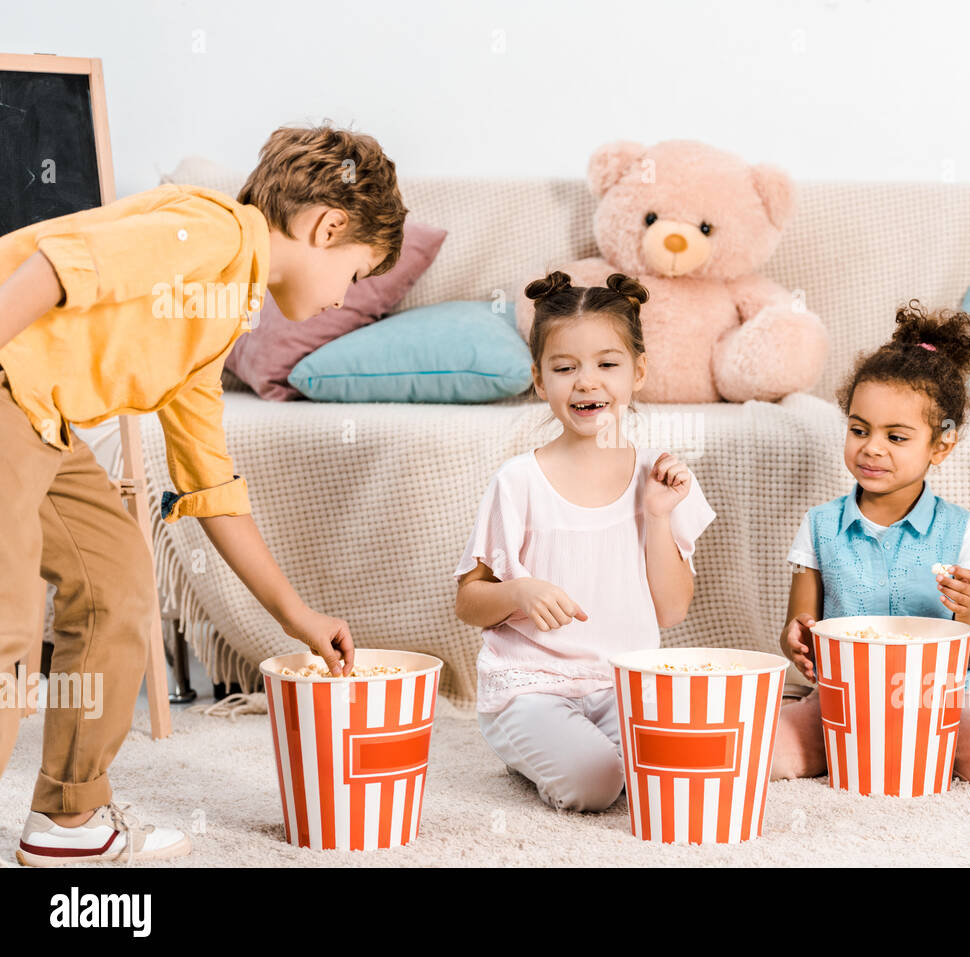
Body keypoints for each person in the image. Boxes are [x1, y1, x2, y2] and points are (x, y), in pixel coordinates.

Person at [0, 124, 407, 864]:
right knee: (9, 619)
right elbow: (60, 267)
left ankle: (69, 818)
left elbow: (211, 489)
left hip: (44, 422)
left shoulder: (217, 320)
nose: (346, 298)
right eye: (354, 275)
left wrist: (297, 615)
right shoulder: (211, 230)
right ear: (328, 226)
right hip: (4, 385)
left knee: (119, 585)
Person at [454, 271, 716, 812]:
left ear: (638, 371)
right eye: (565, 367)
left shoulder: (662, 479)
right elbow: (468, 600)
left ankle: (565, 749)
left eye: (607, 364)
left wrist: (657, 516)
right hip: (531, 686)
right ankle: (533, 744)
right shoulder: (518, 481)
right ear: (538, 378)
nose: (587, 382)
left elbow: (670, 610)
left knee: (680, 771)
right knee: (598, 785)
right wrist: (519, 592)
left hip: (622, 685)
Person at [770, 300, 970, 787]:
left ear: (941, 445)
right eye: (858, 430)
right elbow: (800, 627)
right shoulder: (818, 525)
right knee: (764, 753)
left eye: (896, 437)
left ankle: (951, 730)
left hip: (939, 703)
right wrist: (797, 642)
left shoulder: (966, 531)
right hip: (842, 699)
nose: (871, 448)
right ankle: (851, 741)